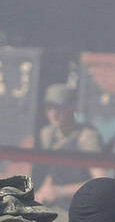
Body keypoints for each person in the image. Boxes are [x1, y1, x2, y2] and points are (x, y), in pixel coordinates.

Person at [34, 84, 107, 214]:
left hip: (83, 211)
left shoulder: (87, 137)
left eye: (59, 107)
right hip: (55, 207)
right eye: (48, 108)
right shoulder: (47, 134)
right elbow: (54, 171)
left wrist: (61, 191)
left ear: (73, 107)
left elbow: (101, 183)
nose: (53, 113)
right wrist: (43, 192)